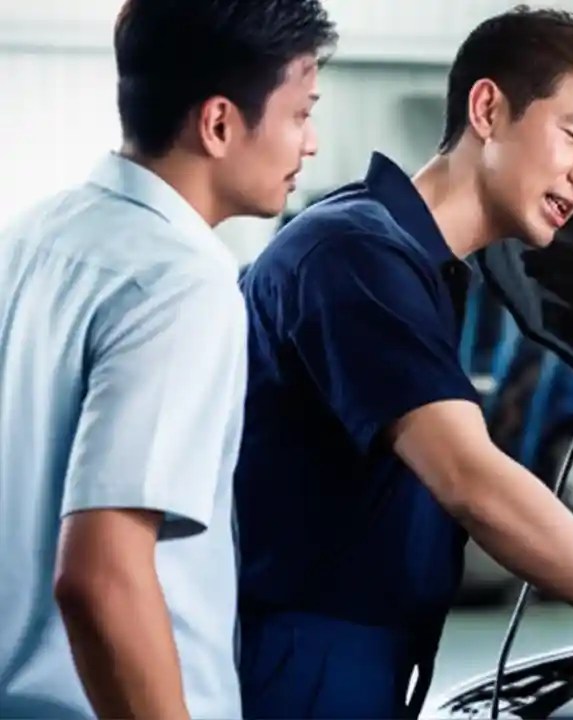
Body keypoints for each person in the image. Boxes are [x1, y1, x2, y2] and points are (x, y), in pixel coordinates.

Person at [233, 6, 573, 720]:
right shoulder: (352, 255)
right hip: (304, 658)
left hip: (362, 652)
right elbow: (469, 478)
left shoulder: (422, 269)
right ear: (487, 109)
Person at [0, 1, 336, 717]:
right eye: (301, 113)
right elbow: (101, 577)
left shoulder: (25, 242)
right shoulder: (180, 283)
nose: (310, 143)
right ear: (219, 124)